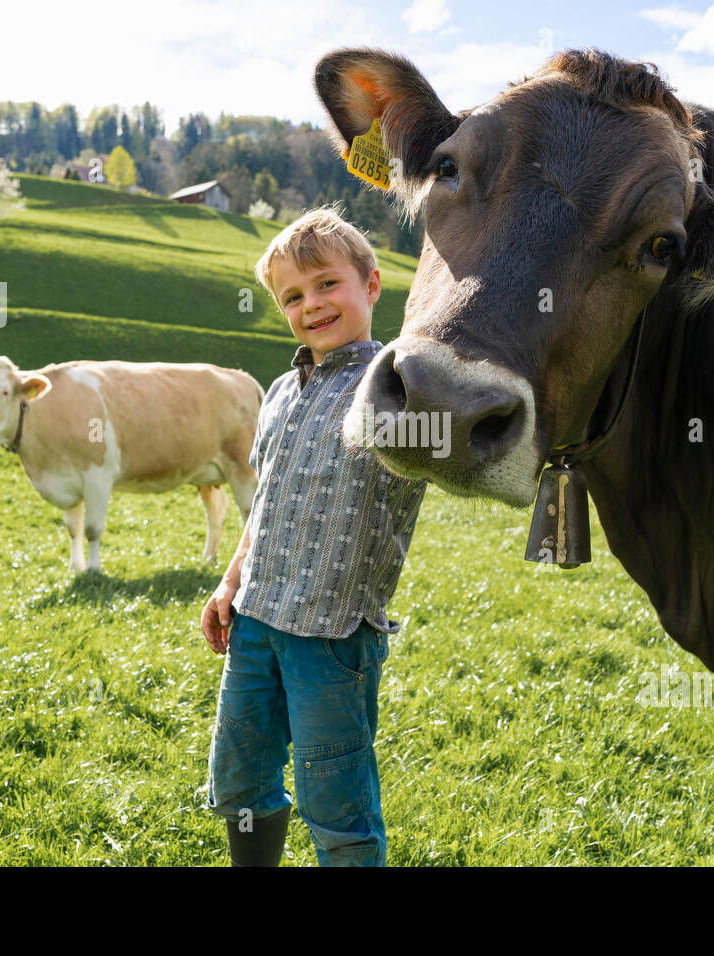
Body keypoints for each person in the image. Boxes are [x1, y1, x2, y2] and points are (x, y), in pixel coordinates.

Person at [200, 206, 428, 866]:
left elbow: (454, 440)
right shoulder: (278, 392)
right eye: (293, 296)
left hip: (333, 638)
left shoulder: (396, 387)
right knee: (238, 777)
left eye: (328, 283)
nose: (312, 304)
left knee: (337, 802)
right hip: (255, 622)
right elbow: (266, 501)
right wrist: (230, 580)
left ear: (373, 285)